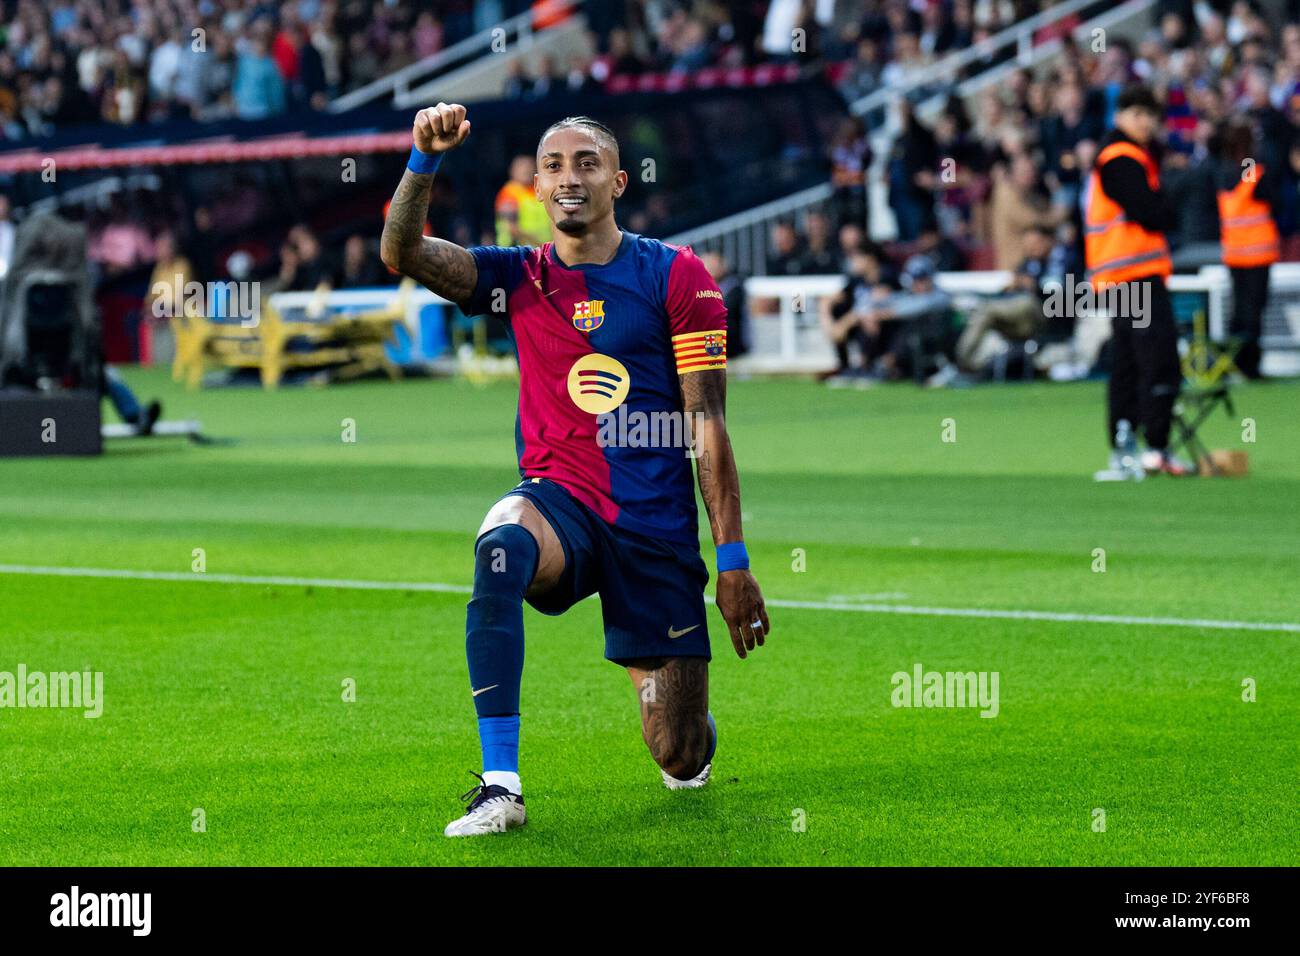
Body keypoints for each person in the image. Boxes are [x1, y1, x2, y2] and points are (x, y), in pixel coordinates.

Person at [380, 104, 770, 837]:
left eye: (586, 163)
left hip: (652, 526)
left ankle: (683, 716)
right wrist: (423, 159)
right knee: (498, 547)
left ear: (617, 181)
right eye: (553, 166)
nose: (568, 177)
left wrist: (734, 560)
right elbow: (401, 252)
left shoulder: (676, 276)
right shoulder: (515, 278)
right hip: (560, 503)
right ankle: (501, 786)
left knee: (679, 754)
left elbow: (707, 423)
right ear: (535, 187)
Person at [1084, 84, 1191, 477]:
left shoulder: (1122, 156)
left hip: (1124, 275)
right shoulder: (1121, 158)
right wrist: (1168, 203)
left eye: (1151, 115)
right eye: (1138, 113)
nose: (1146, 123)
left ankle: (1130, 448)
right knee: (1154, 357)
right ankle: (1150, 447)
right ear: (1120, 116)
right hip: (1134, 276)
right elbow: (1150, 211)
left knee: (1130, 360)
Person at [1215, 119, 1279, 379]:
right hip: (1257, 253)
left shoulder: (1222, 170)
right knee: (1253, 310)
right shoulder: (1250, 169)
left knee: (1239, 311)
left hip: (1234, 253)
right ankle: (1249, 365)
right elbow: (1270, 197)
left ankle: (1234, 362)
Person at [954, 225, 1054, 376]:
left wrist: (1033, 285)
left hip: (1042, 313)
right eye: (1028, 246)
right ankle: (967, 364)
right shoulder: (1027, 264)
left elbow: (1063, 292)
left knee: (1009, 304)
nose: (1031, 249)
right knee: (985, 314)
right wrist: (1011, 288)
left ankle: (961, 361)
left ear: (1047, 241)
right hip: (1020, 321)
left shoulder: (1057, 261)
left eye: (1035, 244)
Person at [495, 155, 550, 248]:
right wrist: (539, 244)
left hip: (542, 250)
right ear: (512, 171)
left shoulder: (541, 191)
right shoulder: (510, 192)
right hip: (516, 251)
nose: (526, 171)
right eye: (522, 168)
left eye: (529, 167)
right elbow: (511, 228)